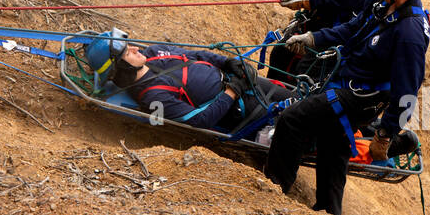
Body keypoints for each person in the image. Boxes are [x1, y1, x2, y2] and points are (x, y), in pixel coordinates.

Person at [266, 0, 430, 215]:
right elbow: (352, 28)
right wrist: (313, 38)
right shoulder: (382, 4)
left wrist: (385, 134)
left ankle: (273, 189)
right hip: (347, 84)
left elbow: (406, 92)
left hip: (360, 99)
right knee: (333, 148)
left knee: (292, 120)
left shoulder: (409, 33)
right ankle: (329, 213)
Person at [84, 32, 292, 135]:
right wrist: (232, 91)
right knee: (297, 119)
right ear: (121, 67)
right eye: (127, 52)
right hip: (239, 107)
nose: (136, 49)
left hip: (239, 82)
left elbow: (196, 54)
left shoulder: (153, 53)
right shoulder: (154, 97)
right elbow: (200, 120)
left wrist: (228, 62)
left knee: (298, 98)